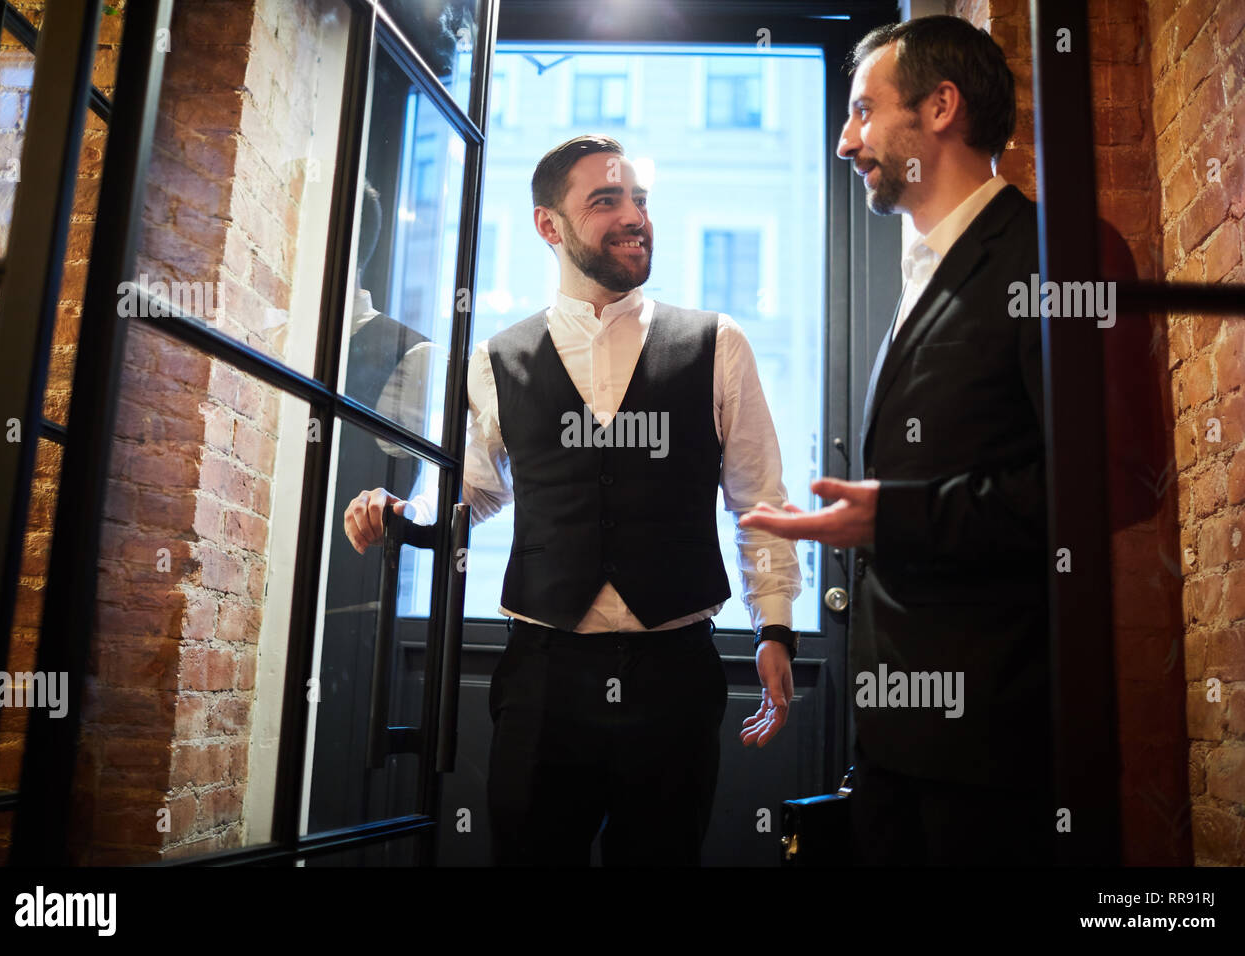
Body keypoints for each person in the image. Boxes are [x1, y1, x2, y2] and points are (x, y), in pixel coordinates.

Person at [343, 134, 801, 865]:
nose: (634, 218)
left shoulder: (718, 343)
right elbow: (470, 494)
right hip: (543, 678)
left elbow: (760, 501)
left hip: (675, 675)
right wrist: (400, 515)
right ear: (548, 225)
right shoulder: (496, 360)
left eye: (640, 202)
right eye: (606, 201)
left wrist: (773, 625)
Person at [740, 15, 1053, 865]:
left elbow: (1091, 491)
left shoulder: (1044, 260)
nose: (847, 142)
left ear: (941, 107)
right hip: (895, 742)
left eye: (862, 111)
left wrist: (896, 519)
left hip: (987, 751)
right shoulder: (926, 269)